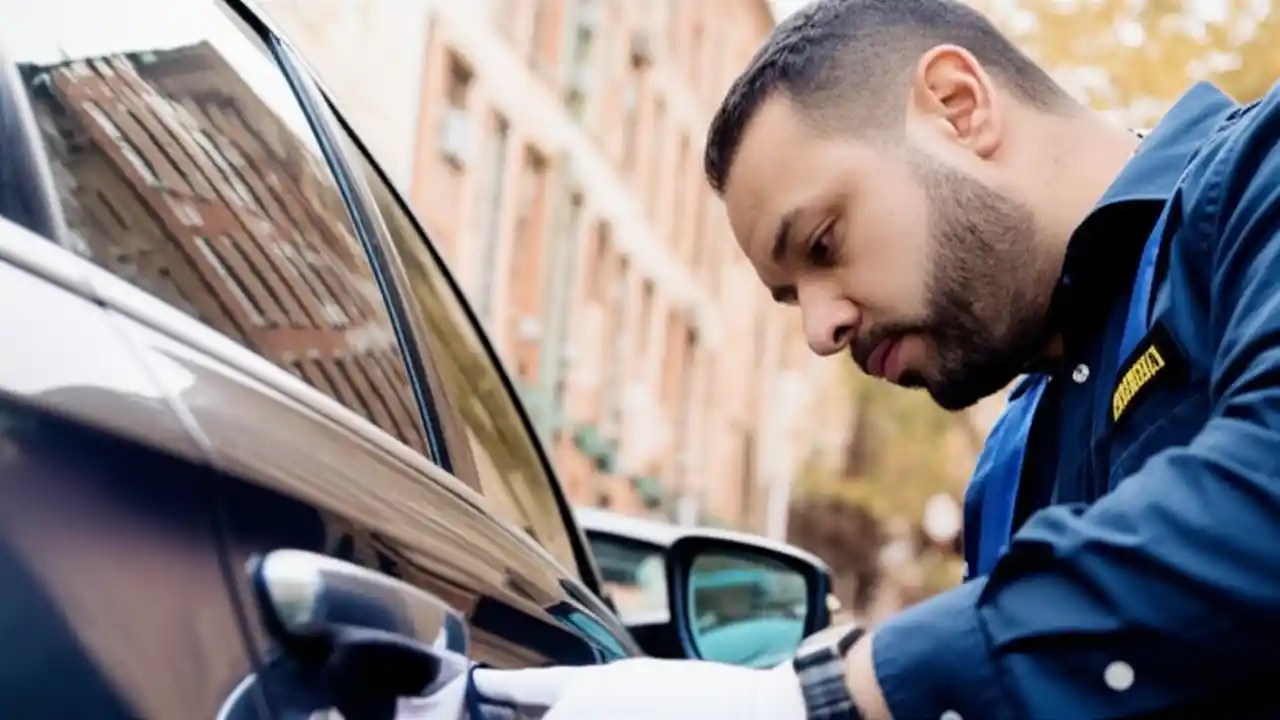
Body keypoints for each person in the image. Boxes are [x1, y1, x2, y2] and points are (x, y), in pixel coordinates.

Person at [472, 0, 1280, 717]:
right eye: (791, 298)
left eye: (824, 243)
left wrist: (826, 696)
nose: (819, 332)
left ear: (957, 107)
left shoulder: (1258, 183)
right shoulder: (1003, 470)